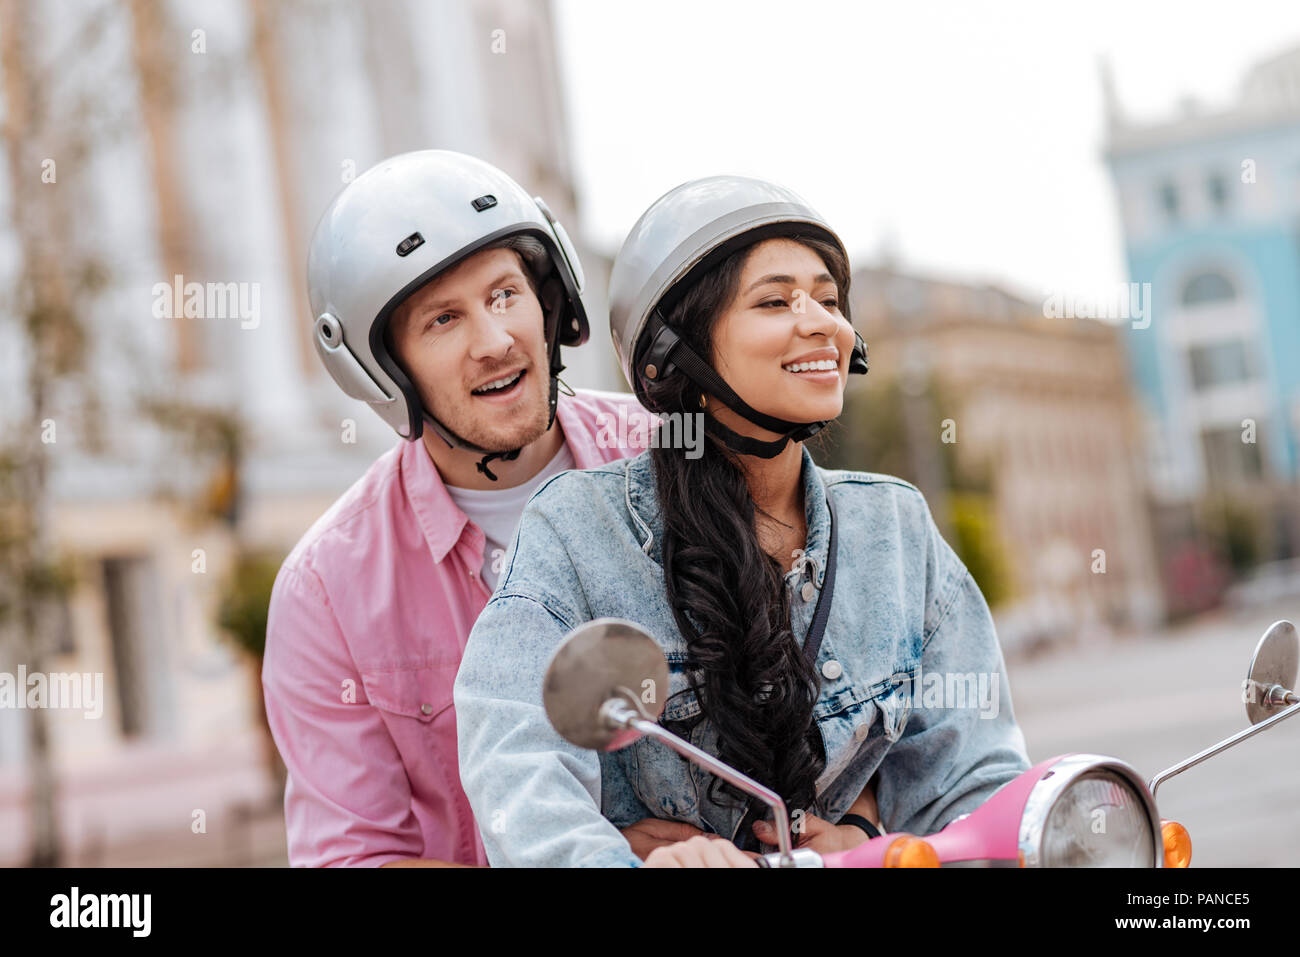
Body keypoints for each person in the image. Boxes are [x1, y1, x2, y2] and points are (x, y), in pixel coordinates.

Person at [453, 175, 1032, 867]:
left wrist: (876, 842)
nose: (822, 322)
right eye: (774, 301)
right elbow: (521, 788)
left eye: (827, 298)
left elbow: (979, 786)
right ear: (676, 351)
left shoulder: (895, 525)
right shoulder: (576, 534)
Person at [262, 150, 651, 866]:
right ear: (383, 369)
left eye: (505, 294)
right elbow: (354, 857)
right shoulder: (326, 591)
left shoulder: (680, 464)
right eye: (443, 319)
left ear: (551, 300)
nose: (494, 341)